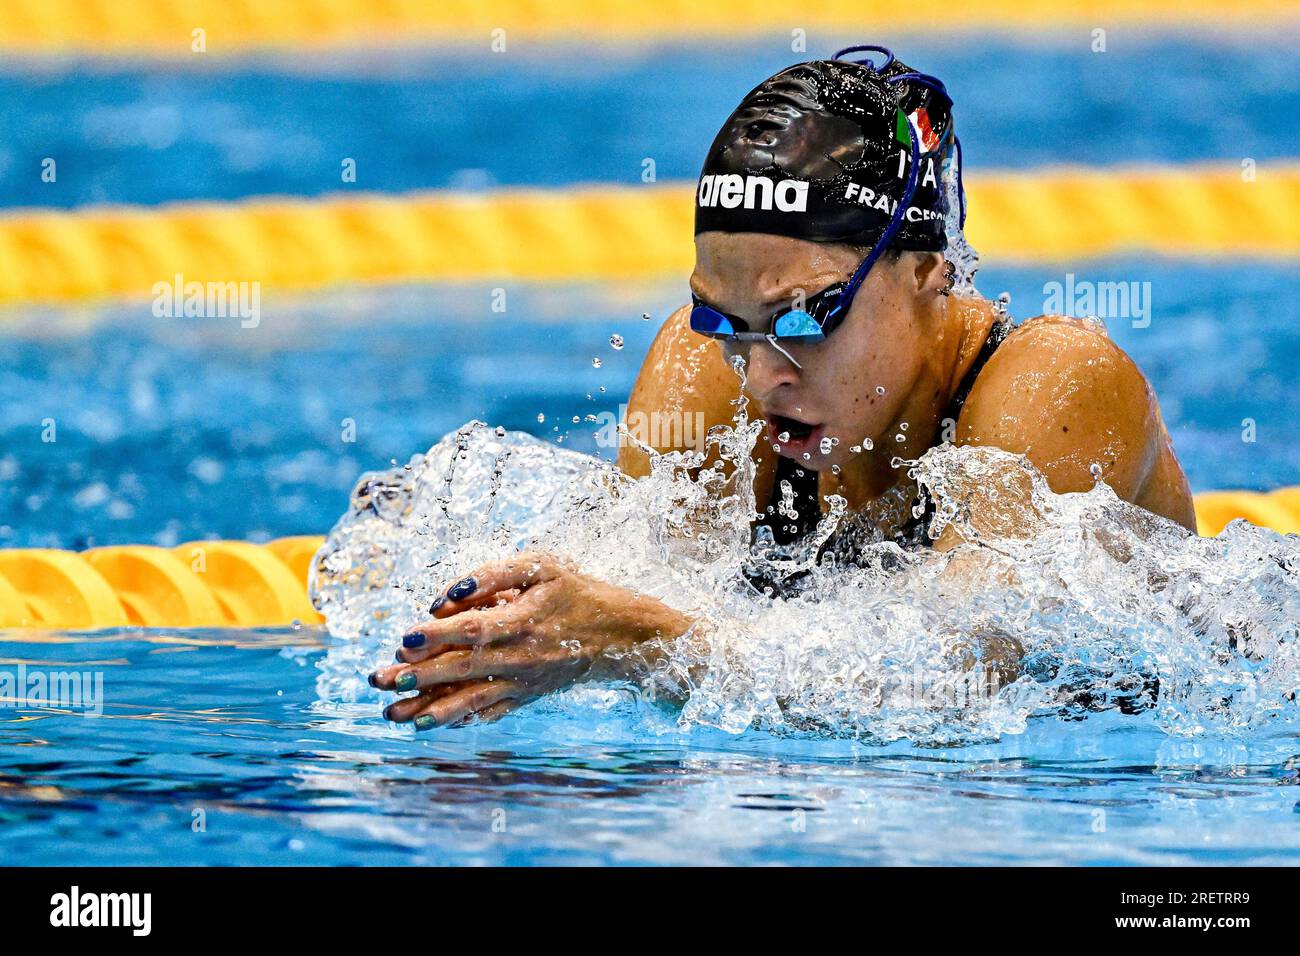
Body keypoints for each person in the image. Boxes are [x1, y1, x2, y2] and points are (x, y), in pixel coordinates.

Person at [370, 46, 1195, 729]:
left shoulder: (1054, 388)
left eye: (808, 316)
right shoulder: (706, 371)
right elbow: (637, 616)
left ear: (928, 270)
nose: (763, 372)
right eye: (720, 317)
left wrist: (632, 638)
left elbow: (939, 689)